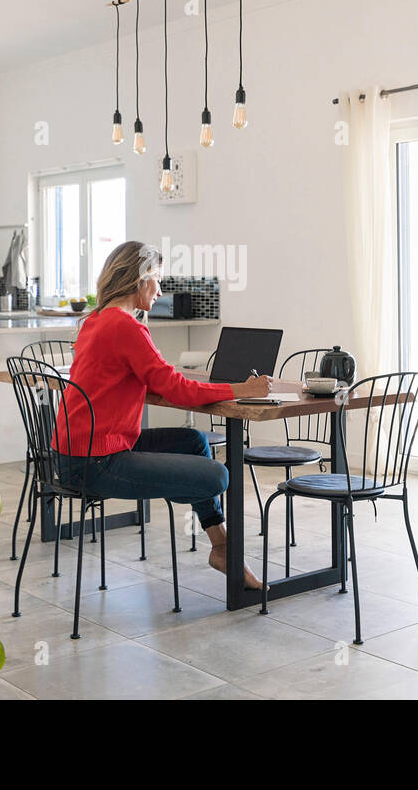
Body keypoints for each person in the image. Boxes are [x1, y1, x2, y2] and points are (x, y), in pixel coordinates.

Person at [53, 240, 271, 590]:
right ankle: (225, 547)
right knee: (216, 476)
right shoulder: (125, 326)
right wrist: (242, 390)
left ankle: (222, 548)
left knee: (194, 441)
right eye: (157, 279)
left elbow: (139, 378)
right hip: (96, 461)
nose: (160, 289)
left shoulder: (96, 320)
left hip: (76, 453)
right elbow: (178, 389)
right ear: (139, 279)